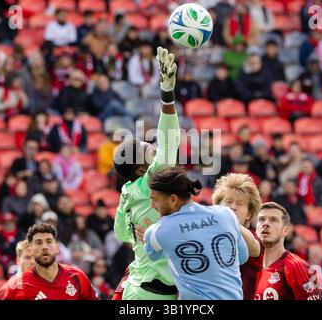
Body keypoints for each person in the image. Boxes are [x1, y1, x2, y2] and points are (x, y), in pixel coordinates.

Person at [112, 47, 180, 300]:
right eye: (147, 150)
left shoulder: (126, 194)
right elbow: (170, 139)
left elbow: (121, 234)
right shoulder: (152, 182)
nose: (153, 148)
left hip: (140, 286)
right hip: (155, 292)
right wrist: (167, 94)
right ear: (142, 170)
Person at [140, 166, 248, 300]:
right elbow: (243, 257)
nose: (152, 205)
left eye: (154, 199)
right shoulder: (226, 214)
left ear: (173, 199)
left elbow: (153, 256)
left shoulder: (157, 232)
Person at [0, 223, 98, 300]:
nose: (44, 247)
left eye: (49, 241)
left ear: (57, 248)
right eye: (38, 243)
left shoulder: (77, 276)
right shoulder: (17, 285)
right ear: (30, 250)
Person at [254, 202, 322, 300]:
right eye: (261, 219)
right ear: (256, 229)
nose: (265, 224)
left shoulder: (296, 266)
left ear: (285, 231)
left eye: (273, 220)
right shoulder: (249, 266)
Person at [211, 173, 263, 300]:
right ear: (217, 206)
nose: (233, 207)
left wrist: (228, 219)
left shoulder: (255, 239)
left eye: (239, 203)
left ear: (249, 214)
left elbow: (255, 249)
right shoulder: (206, 234)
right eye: (228, 202)